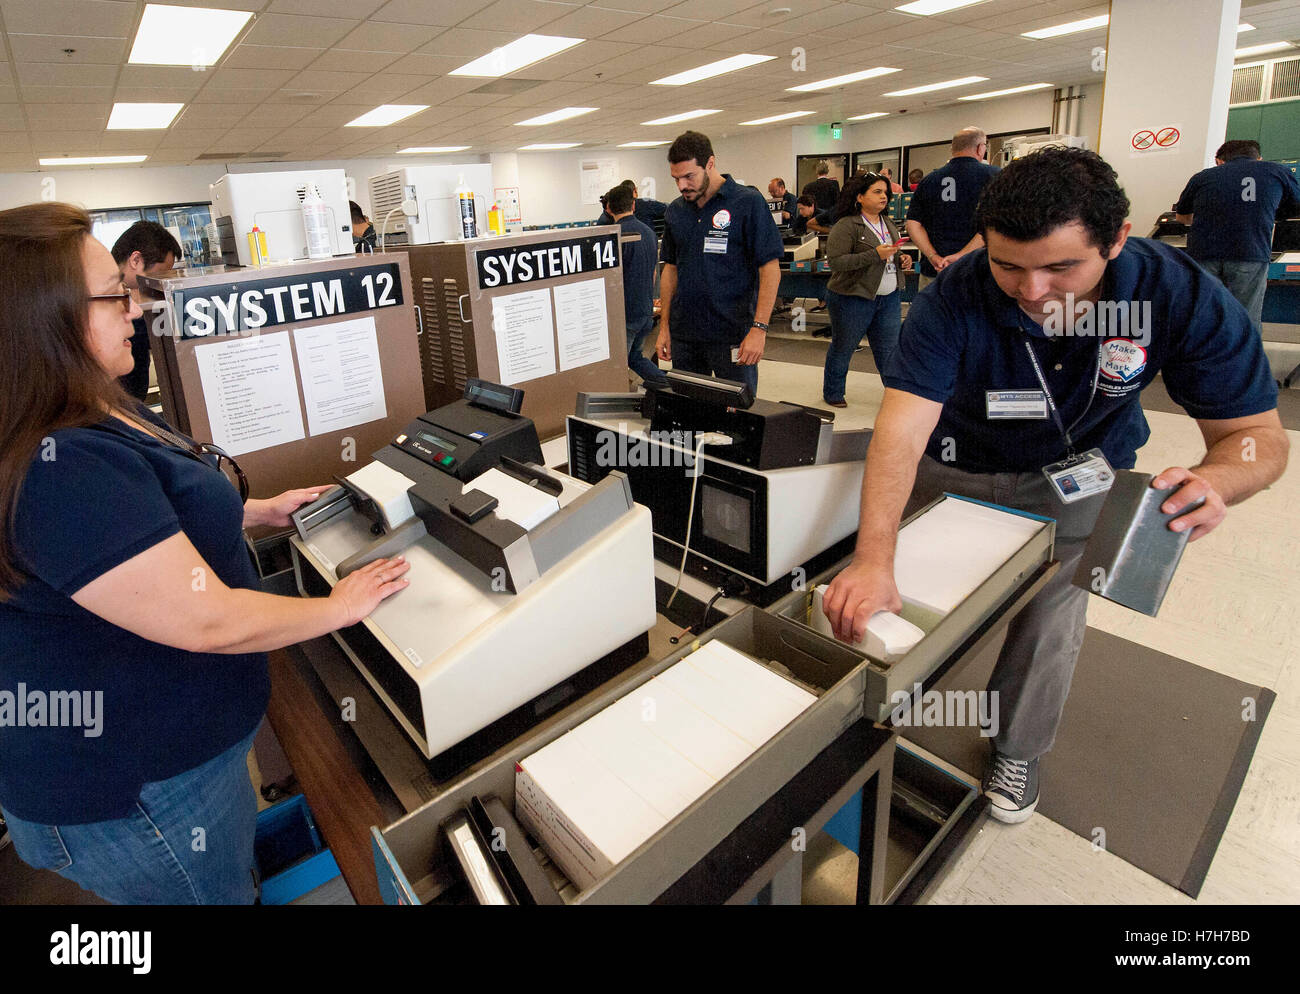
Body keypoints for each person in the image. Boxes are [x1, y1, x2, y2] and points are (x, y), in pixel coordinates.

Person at [821, 149, 1286, 824]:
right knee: (899, 590)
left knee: (1051, 613)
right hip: (958, 461)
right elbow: (900, 431)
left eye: (1060, 267)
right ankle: (873, 720)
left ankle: (1017, 746)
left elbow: (1258, 438)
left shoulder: (1174, 293)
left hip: (1080, 472)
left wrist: (1218, 479)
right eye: (1009, 265)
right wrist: (872, 558)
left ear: (1118, 238)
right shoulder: (958, 293)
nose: (1032, 290)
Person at [0, 202, 411, 904]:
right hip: (137, 795)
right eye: (115, 294)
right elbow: (207, 620)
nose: (137, 307)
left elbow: (140, 527)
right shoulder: (60, 467)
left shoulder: (90, 407)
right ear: (48, 317)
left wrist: (251, 513)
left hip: (169, 767)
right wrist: (337, 606)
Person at [657, 131, 782, 393]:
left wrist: (759, 329)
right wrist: (664, 327)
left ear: (710, 164)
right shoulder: (676, 211)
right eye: (676, 179)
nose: (682, 186)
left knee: (737, 418)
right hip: (686, 336)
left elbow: (770, 268)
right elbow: (671, 268)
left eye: (689, 176)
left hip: (734, 335)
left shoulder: (747, 202)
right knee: (689, 420)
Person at [1174, 139, 1300, 334]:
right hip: (1250, 253)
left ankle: (1202, 360)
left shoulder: (1202, 177)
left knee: (1204, 314)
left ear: (1219, 161)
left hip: (1204, 255)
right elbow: (1294, 207)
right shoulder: (1277, 171)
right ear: (1258, 158)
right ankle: (1243, 362)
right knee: (1246, 317)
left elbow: (1181, 216)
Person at [821, 174, 912, 408]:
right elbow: (837, 262)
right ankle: (833, 392)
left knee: (889, 350)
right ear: (860, 197)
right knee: (844, 346)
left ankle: (896, 393)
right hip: (853, 298)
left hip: (888, 298)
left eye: (885, 192)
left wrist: (902, 259)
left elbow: (890, 252)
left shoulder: (888, 223)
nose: (884, 196)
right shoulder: (847, 225)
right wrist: (875, 255)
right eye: (877, 192)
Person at [906, 126, 999, 288]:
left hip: (935, 271)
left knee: (934, 312)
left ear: (953, 149)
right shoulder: (995, 176)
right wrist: (961, 256)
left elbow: (913, 223)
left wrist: (932, 255)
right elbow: (994, 225)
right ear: (980, 148)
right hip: (977, 273)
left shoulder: (929, 180)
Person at [110, 221, 180, 402]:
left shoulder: (131, 294)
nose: (160, 282)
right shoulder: (107, 297)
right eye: (159, 274)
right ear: (135, 260)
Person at [608, 184, 667, 389]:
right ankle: (668, 387)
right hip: (644, 311)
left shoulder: (613, 236)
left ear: (608, 208)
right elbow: (653, 273)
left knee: (615, 367)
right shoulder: (650, 233)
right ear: (633, 205)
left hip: (625, 315)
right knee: (636, 358)